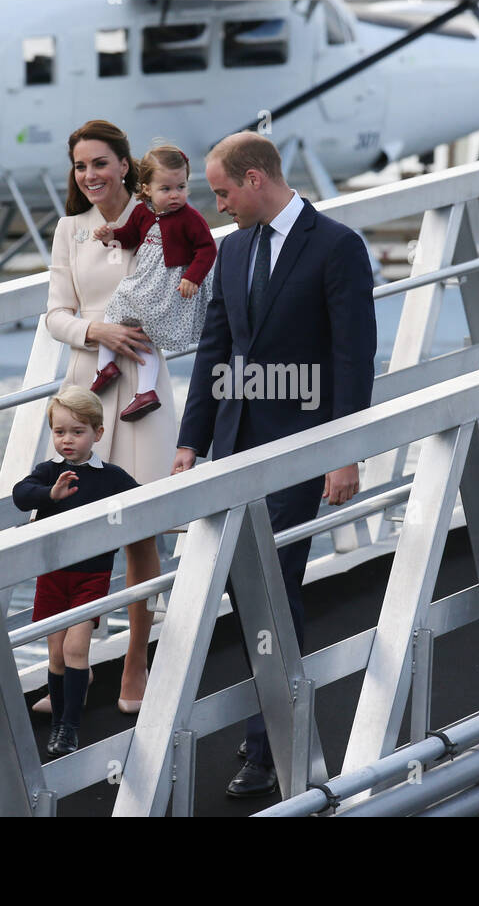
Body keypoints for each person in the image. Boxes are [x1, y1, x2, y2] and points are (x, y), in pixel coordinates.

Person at [171, 131, 377, 798]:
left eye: (223, 190)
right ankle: (275, 710)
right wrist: (189, 442)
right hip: (235, 445)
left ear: (256, 179)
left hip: (302, 449)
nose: (217, 203)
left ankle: (264, 748)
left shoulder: (337, 247)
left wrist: (343, 453)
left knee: (273, 581)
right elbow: (213, 350)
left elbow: (353, 357)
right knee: (243, 585)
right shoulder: (233, 251)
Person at [44, 120, 175, 713]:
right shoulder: (70, 230)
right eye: (80, 166)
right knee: (76, 523)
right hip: (86, 390)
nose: (90, 175)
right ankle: (72, 669)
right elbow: (55, 314)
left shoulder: (155, 222)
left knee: (141, 526)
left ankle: (135, 663)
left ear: (125, 164)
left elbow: (179, 291)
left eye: (100, 163)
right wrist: (94, 329)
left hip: (142, 383)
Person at [12, 386, 140, 757]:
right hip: (52, 576)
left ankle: (68, 729)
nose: (67, 440)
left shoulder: (111, 477)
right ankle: (59, 719)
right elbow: (21, 494)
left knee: (75, 646)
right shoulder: (48, 473)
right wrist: (50, 495)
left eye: (77, 431)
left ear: (98, 434)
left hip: (91, 577)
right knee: (55, 656)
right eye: (59, 431)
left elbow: (142, 498)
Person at [91, 143, 217, 422]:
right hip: (148, 280)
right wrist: (107, 236)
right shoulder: (142, 212)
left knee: (131, 321)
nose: (175, 195)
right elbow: (128, 237)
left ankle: (125, 379)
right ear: (146, 188)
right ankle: (127, 380)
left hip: (169, 285)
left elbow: (207, 249)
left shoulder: (190, 218)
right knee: (123, 322)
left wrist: (191, 277)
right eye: (166, 189)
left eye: (181, 187)